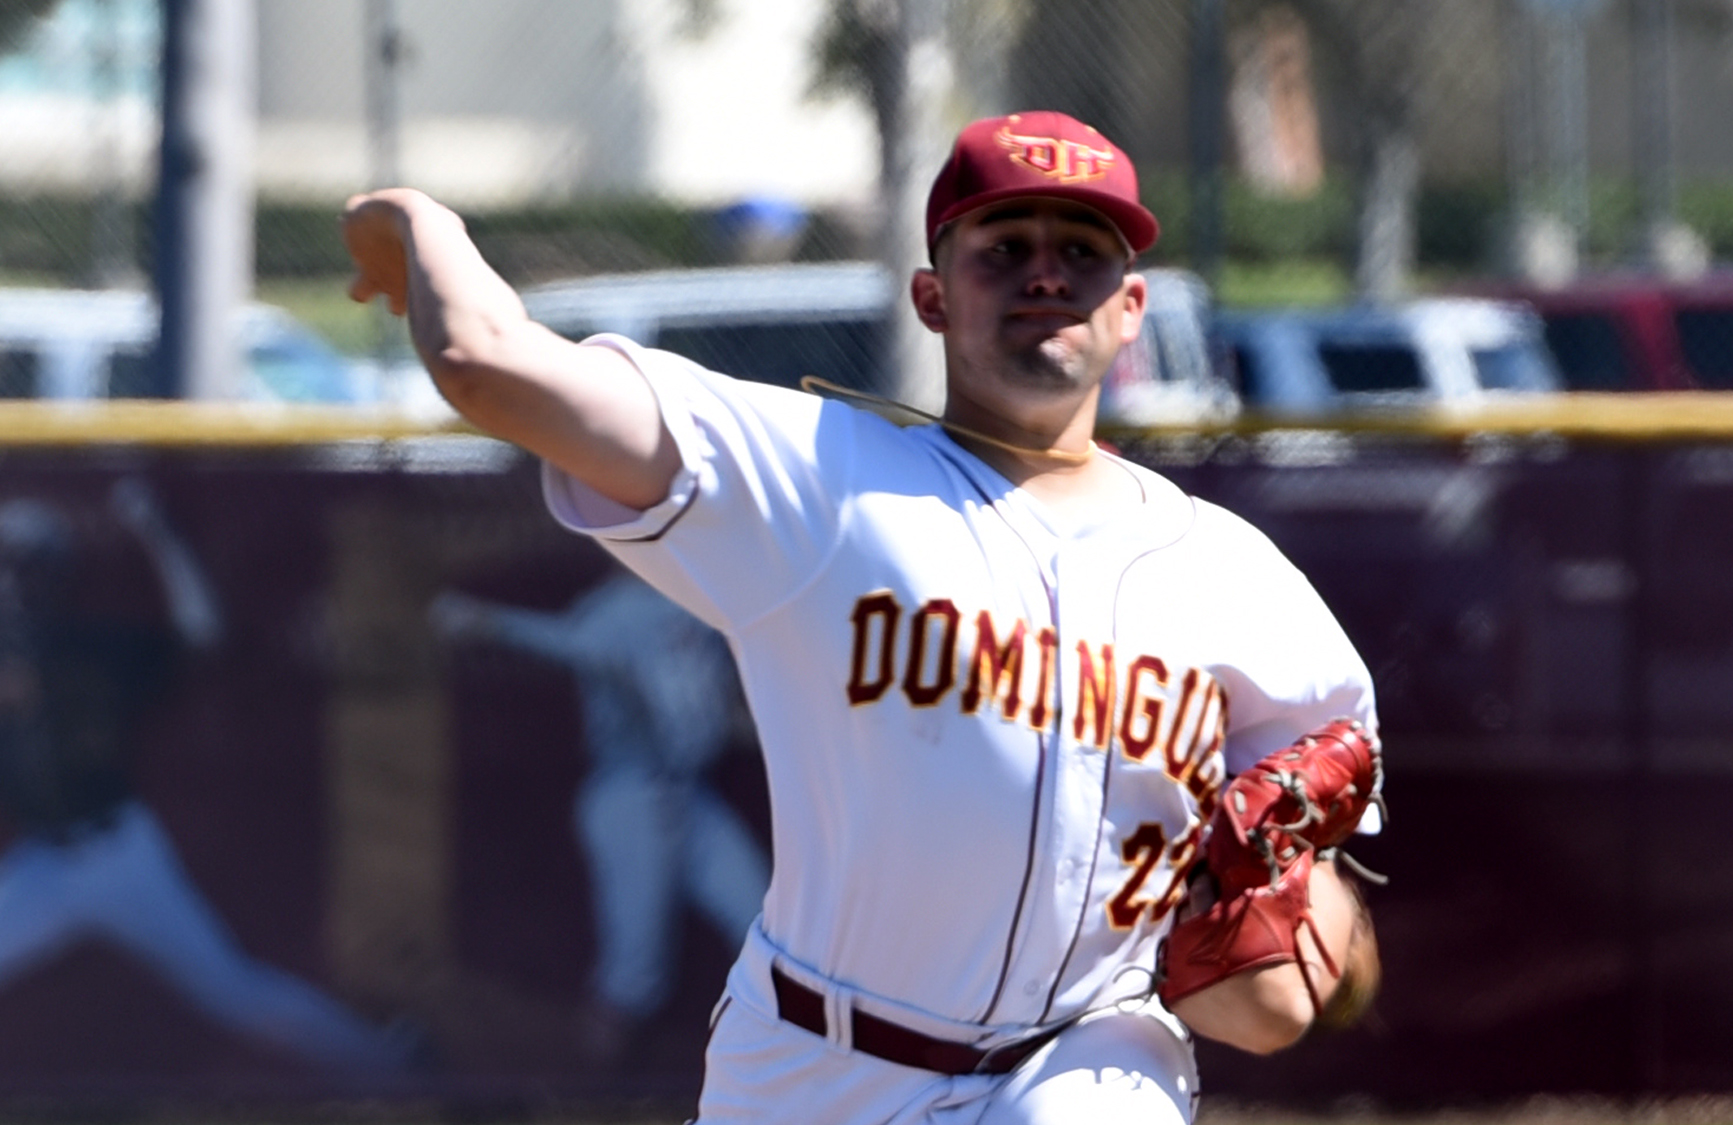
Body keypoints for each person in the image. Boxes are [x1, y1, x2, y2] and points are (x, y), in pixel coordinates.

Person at [343, 109, 1381, 1123]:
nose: (1047, 272)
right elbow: (490, 361)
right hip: (812, 1065)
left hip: (1088, 1059)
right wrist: (416, 219)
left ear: (1131, 306)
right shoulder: (814, 478)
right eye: (1003, 247)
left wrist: (1306, 933)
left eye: (1083, 248)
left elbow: (1321, 927)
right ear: (931, 297)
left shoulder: (1237, 580)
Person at [0, 478, 416, 1075]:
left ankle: (391, 1066)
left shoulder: (96, 649)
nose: (14, 578)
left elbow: (202, 631)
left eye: (27, 562)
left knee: (239, 997)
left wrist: (158, 533)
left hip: (121, 857)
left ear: (56, 574)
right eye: (6, 561)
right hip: (42, 867)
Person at [430, 571, 768, 1062]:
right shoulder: (621, 608)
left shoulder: (714, 601)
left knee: (763, 922)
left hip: (690, 796)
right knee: (635, 973)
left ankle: (780, 1077)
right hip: (628, 795)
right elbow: (573, 645)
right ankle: (588, 1092)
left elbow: (713, 714)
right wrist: (489, 622)